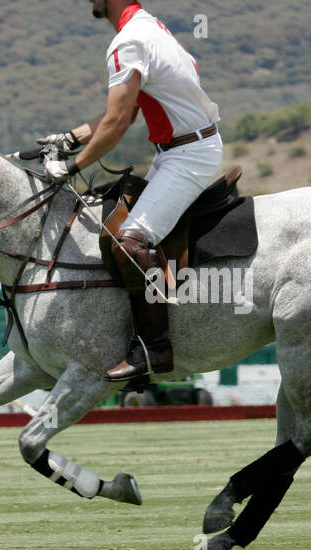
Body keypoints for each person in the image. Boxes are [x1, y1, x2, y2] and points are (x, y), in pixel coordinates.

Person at [37, 0, 223, 381]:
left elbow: (120, 121)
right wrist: (70, 138)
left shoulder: (129, 41)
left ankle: (154, 349)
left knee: (130, 243)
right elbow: (128, 110)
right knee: (114, 223)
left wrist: (72, 166)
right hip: (182, 149)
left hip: (188, 154)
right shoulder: (150, 28)